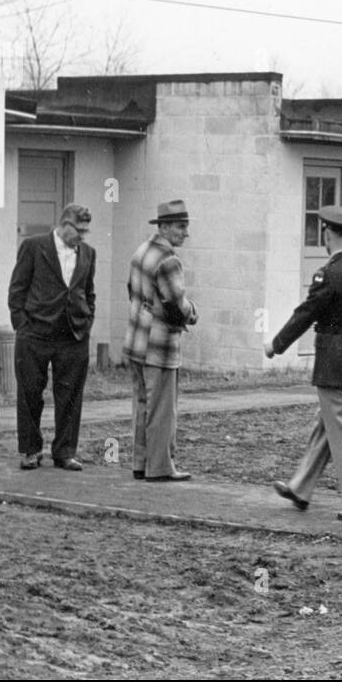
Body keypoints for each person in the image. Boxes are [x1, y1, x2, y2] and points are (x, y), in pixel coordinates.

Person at [265, 205, 342, 522]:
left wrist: (276, 345)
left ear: (327, 234)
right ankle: (301, 487)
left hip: (333, 360)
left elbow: (305, 314)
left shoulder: (327, 275)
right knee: (330, 422)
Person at [7, 203, 97, 471]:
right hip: (35, 334)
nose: (83, 235)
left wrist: (87, 322)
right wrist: (22, 326)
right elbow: (17, 289)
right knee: (30, 394)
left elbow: (88, 292)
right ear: (64, 224)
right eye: (79, 230)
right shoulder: (34, 246)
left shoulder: (89, 253)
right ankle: (30, 451)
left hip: (73, 335)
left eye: (86, 230)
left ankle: (65, 452)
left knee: (70, 396)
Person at [125, 200, 199, 482]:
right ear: (164, 227)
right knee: (162, 409)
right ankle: (160, 467)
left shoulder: (141, 252)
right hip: (159, 345)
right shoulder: (169, 260)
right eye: (181, 227)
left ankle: (140, 463)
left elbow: (131, 290)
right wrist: (193, 314)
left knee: (142, 404)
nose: (185, 233)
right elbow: (177, 305)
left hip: (136, 340)